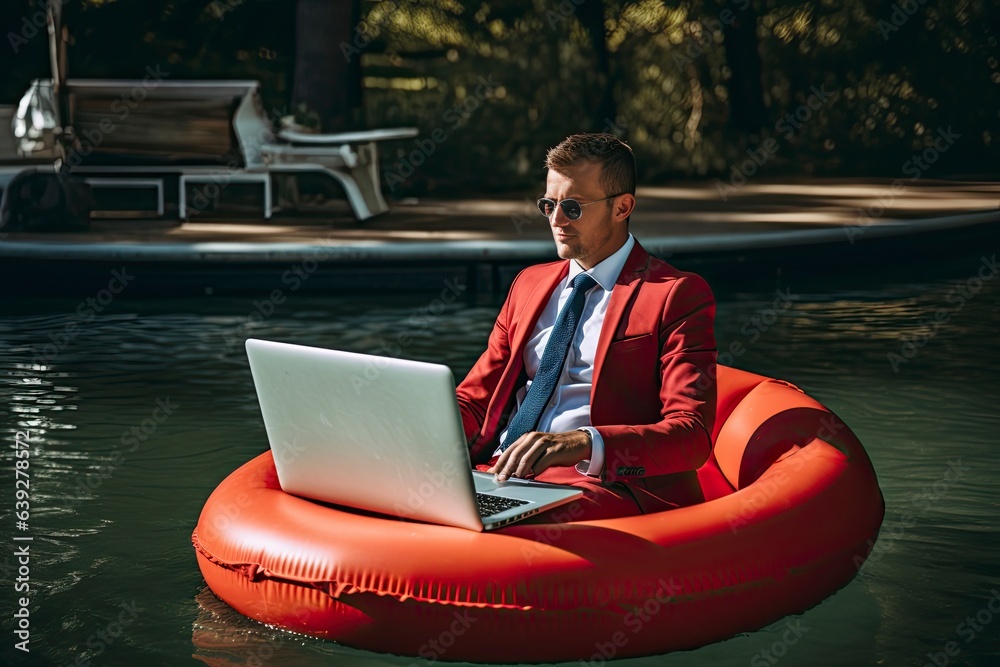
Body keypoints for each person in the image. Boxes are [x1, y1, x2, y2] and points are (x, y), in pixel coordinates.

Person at [456, 132, 718, 521]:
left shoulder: (675, 294)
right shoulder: (528, 284)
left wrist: (584, 443)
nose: (556, 220)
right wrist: (418, 429)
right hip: (500, 473)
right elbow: (477, 398)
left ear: (622, 207)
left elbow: (691, 435)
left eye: (573, 207)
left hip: (604, 485)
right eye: (549, 205)